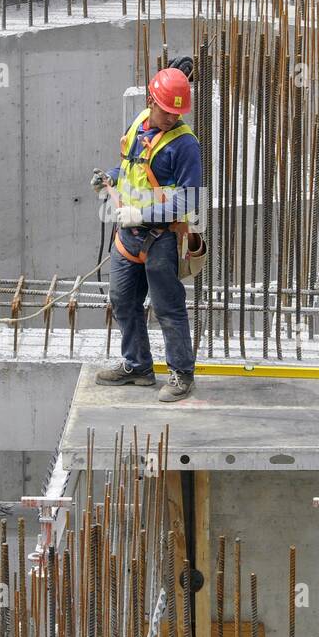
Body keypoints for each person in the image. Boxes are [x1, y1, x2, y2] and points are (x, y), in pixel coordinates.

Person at [90, 64, 201, 402]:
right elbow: (129, 168)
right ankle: (138, 365)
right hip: (129, 236)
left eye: (176, 112)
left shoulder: (184, 145)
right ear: (151, 101)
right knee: (123, 300)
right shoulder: (139, 123)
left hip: (162, 238)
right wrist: (109, 178)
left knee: (168, 308)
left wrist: (142, 213)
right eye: (166, 110)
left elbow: (190, 199)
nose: (171, 117)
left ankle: (181, 373)